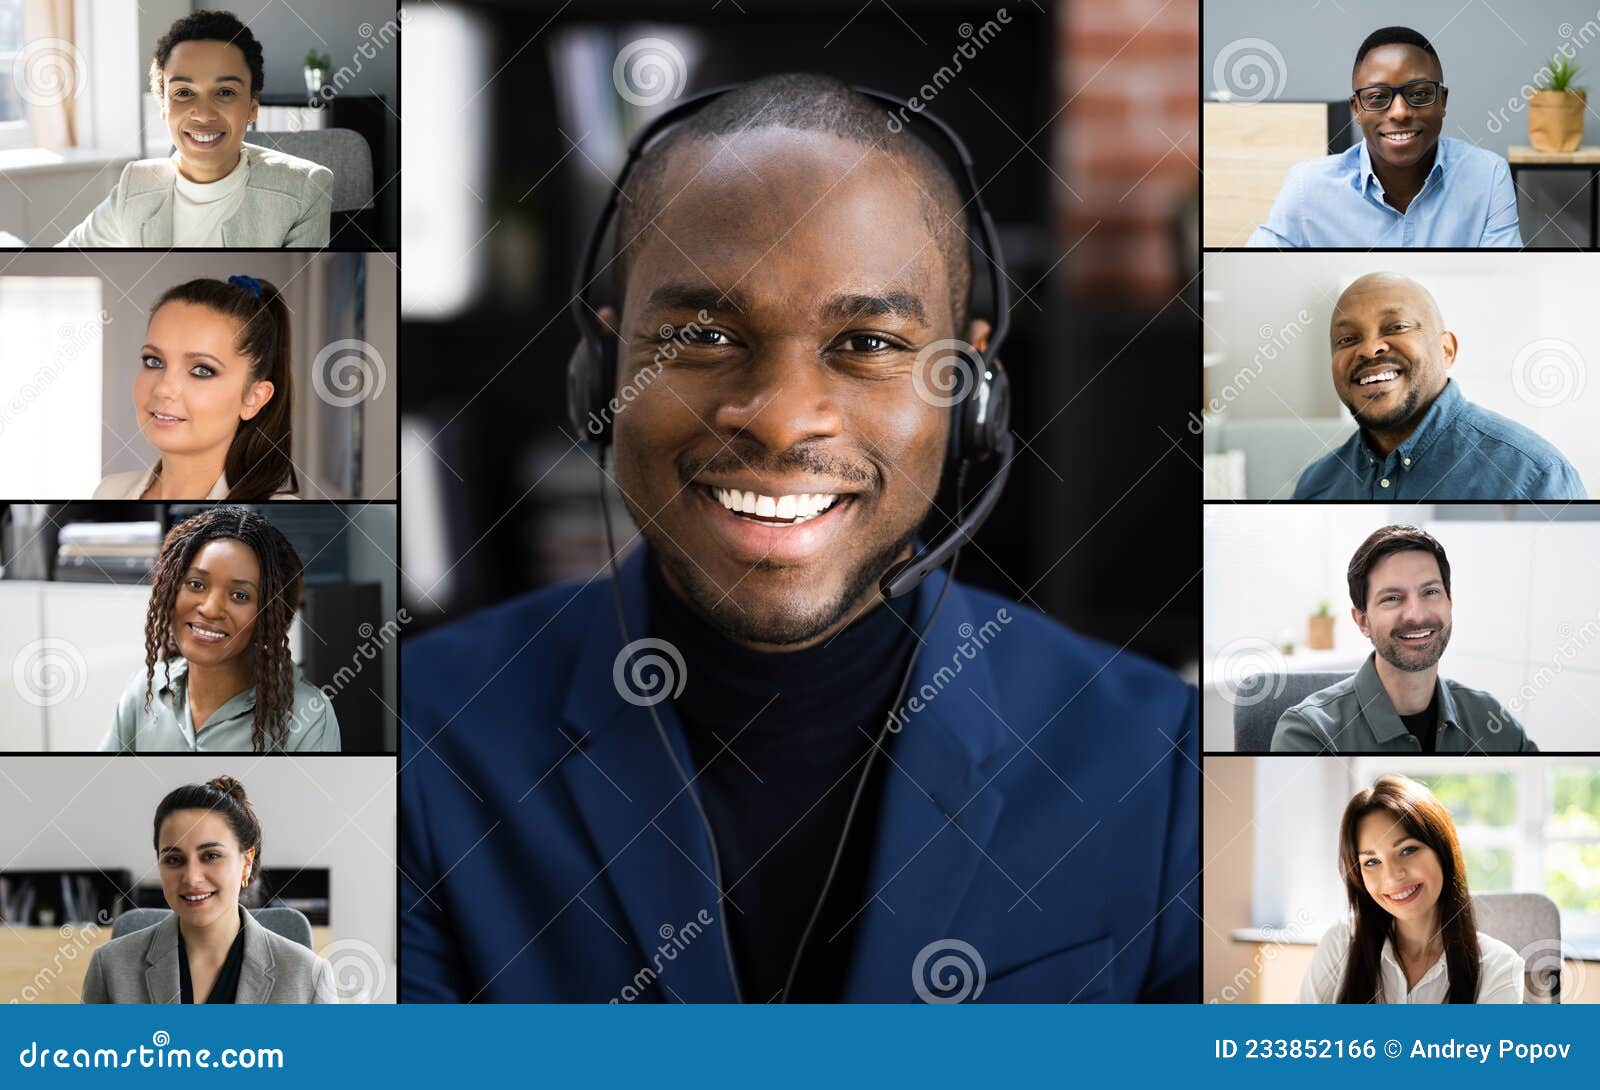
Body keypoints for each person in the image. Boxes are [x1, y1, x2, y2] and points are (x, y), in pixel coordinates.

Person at [399, 75, 1198, 1003]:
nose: (781, 421)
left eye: (867, 344)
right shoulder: (416, 740)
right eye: (700, 334)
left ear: (971, 386)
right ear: (601, 374)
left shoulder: (1159, 757)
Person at [1293, 272, 1584, 500]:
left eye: (1397, 327)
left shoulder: (1532, 475)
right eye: (1347, 339)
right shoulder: (1315, 485)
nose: (1369, 349)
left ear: (1446, 351)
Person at [58, 10, 331, 247]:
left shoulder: (305, 189)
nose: (202, 114)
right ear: (163, 107)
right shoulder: (135, 186)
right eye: (184, 92)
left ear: (252, 106)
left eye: (224, 91)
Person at [1248, 27, 1520, 248]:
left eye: (1420, 94)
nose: (1400, 112)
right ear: (1357, 108)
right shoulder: (1306, 187)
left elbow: (1504, 279)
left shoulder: (1488, 175)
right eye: (1378, 97)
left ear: (1442, 100)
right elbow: (1255, 274)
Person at [1272, 525, 1535, 753]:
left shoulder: (1490, 718)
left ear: (1450, 603)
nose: (1415, 614)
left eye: (1430, 592)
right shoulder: (1309, 733)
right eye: (1392, 598)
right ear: (1363, 621)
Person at [103, 506, 340, 753]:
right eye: (196, 584)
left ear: (269, 615)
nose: (210, 609)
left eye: (240, 595)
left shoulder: (310, 717)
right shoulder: (144, 690)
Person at [82, 776, 338, 1003]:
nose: (192, 878)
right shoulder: (110, 967)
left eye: (211, 856)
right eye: (174, 859)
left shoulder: (309, 977)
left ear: (246, 862)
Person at [1297, 775, 1524, 1003]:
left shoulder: (1499, 966)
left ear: (1442, 851)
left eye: (1407, 850)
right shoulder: (1341, 943)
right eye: (1372, 862)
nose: (1393, 876)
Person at [94, 276, 301, 501]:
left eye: (202, 370)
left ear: (254, 398)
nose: (163, 389)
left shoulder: (276, 510)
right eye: (154, 361)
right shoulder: (109, 491)